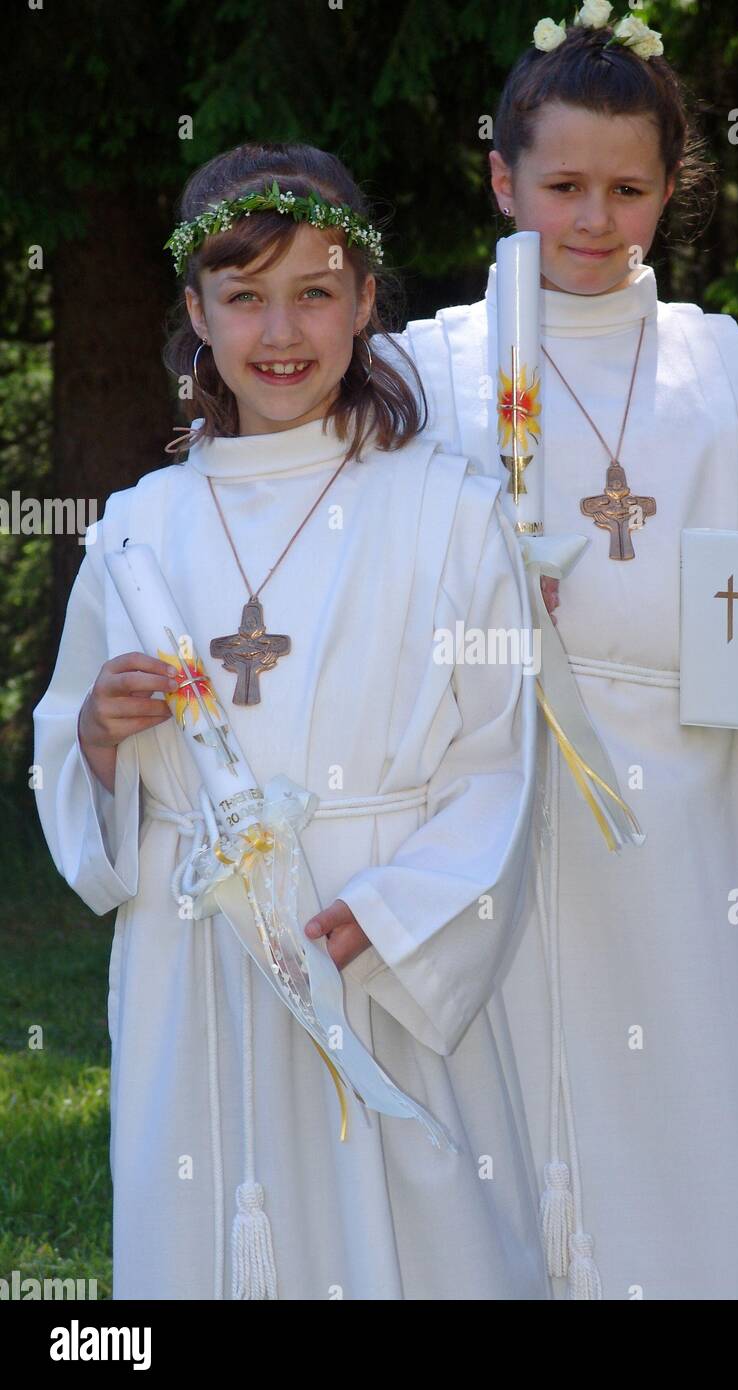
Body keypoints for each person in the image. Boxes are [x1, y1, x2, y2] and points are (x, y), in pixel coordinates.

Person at [381, 10, 738, 1299]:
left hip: (708, 808)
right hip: (504, 796)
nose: (593, 220)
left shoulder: (735, 374)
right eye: (561, 188)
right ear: (501, 180)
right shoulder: (423, 376)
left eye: (626, 189)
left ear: (669, 190)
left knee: (721, 1101)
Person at [32, 141, 550, 1300]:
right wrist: (105, 742)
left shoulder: (447, 511)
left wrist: (394, 910)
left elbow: (498, 757)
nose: (280, 333)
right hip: (202, 951)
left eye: (314, 293)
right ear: (195, 314)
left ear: (365, 302)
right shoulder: (138, 527)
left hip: (371, 935)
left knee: (419, 1227)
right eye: (245, 298)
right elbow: (70, 752)